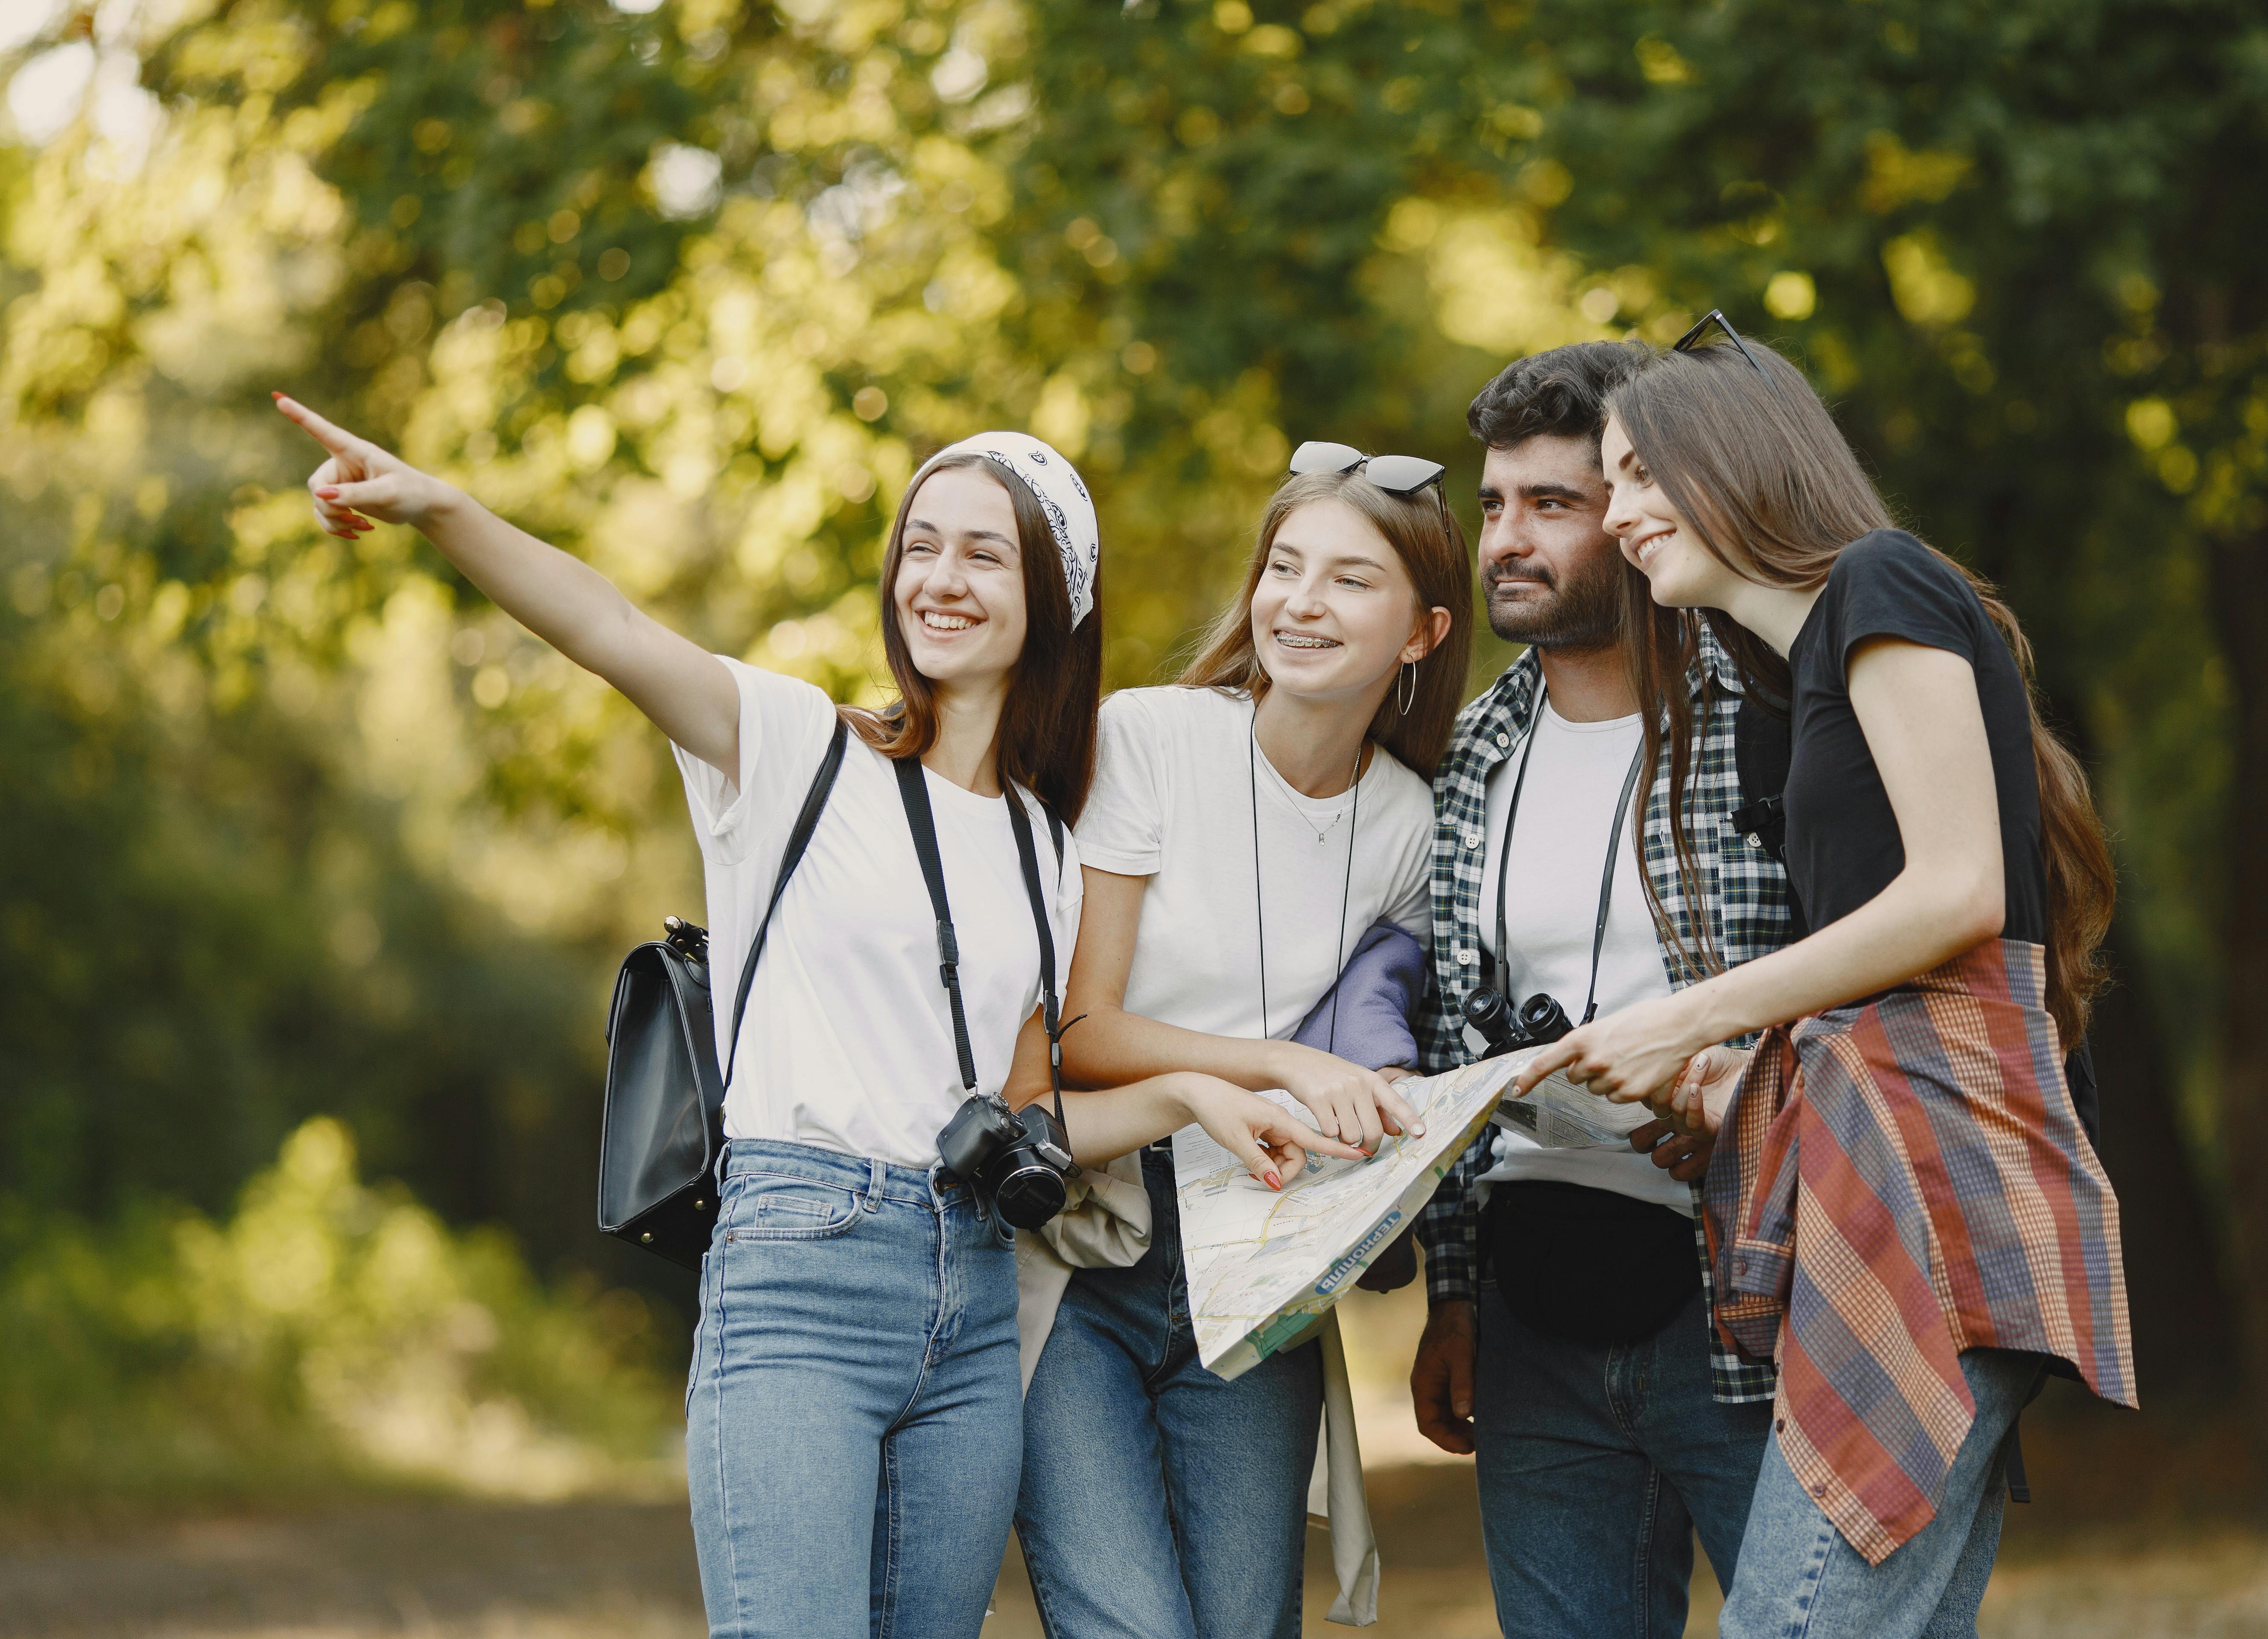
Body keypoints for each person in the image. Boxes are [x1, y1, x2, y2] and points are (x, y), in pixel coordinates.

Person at [275, 397, 1358, 1639]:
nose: (939, 581)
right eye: (922, 546)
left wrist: (1193, 1096)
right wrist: (443, 508)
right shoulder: (799, 748)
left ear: (1052, 597)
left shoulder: (1045, 843)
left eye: (984, 554)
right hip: (802, 1274)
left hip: (971, 1305)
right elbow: (609, 625)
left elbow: (1025, 1109)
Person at [1520, 319, 2134, 1636]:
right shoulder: (1788, 679)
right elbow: (1880, 962)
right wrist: (1734, 1078)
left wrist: (1692, 1013)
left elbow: (1960, 888)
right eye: (1612, 481)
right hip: (1881, 1175)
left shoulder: (1884, 584)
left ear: (1734, 459)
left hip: (1944, 1189)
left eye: (1639, 473)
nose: (1621, 513)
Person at [1013, 441, 1473, 1638]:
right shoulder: (1152, 739)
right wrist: (1277, 1064)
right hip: (1085, 1250)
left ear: (1423, 634)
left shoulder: (1410, 824)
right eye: (1284, 567)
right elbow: (1082, 1029)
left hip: (1257, 1268)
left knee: (1245, 1624)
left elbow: (1383, 1015)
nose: (1301, 604)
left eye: (1349, 581)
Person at [1407, 344, 1800, 1637]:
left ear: (1641, 516)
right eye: (1496, 505)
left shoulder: (1772, 720)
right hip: (1533, 1320)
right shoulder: (1469, 753)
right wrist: (1454, 1290)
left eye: (1552, 506)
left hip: (1753, 1297)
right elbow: (1451, 1037)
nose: (1505, 540)